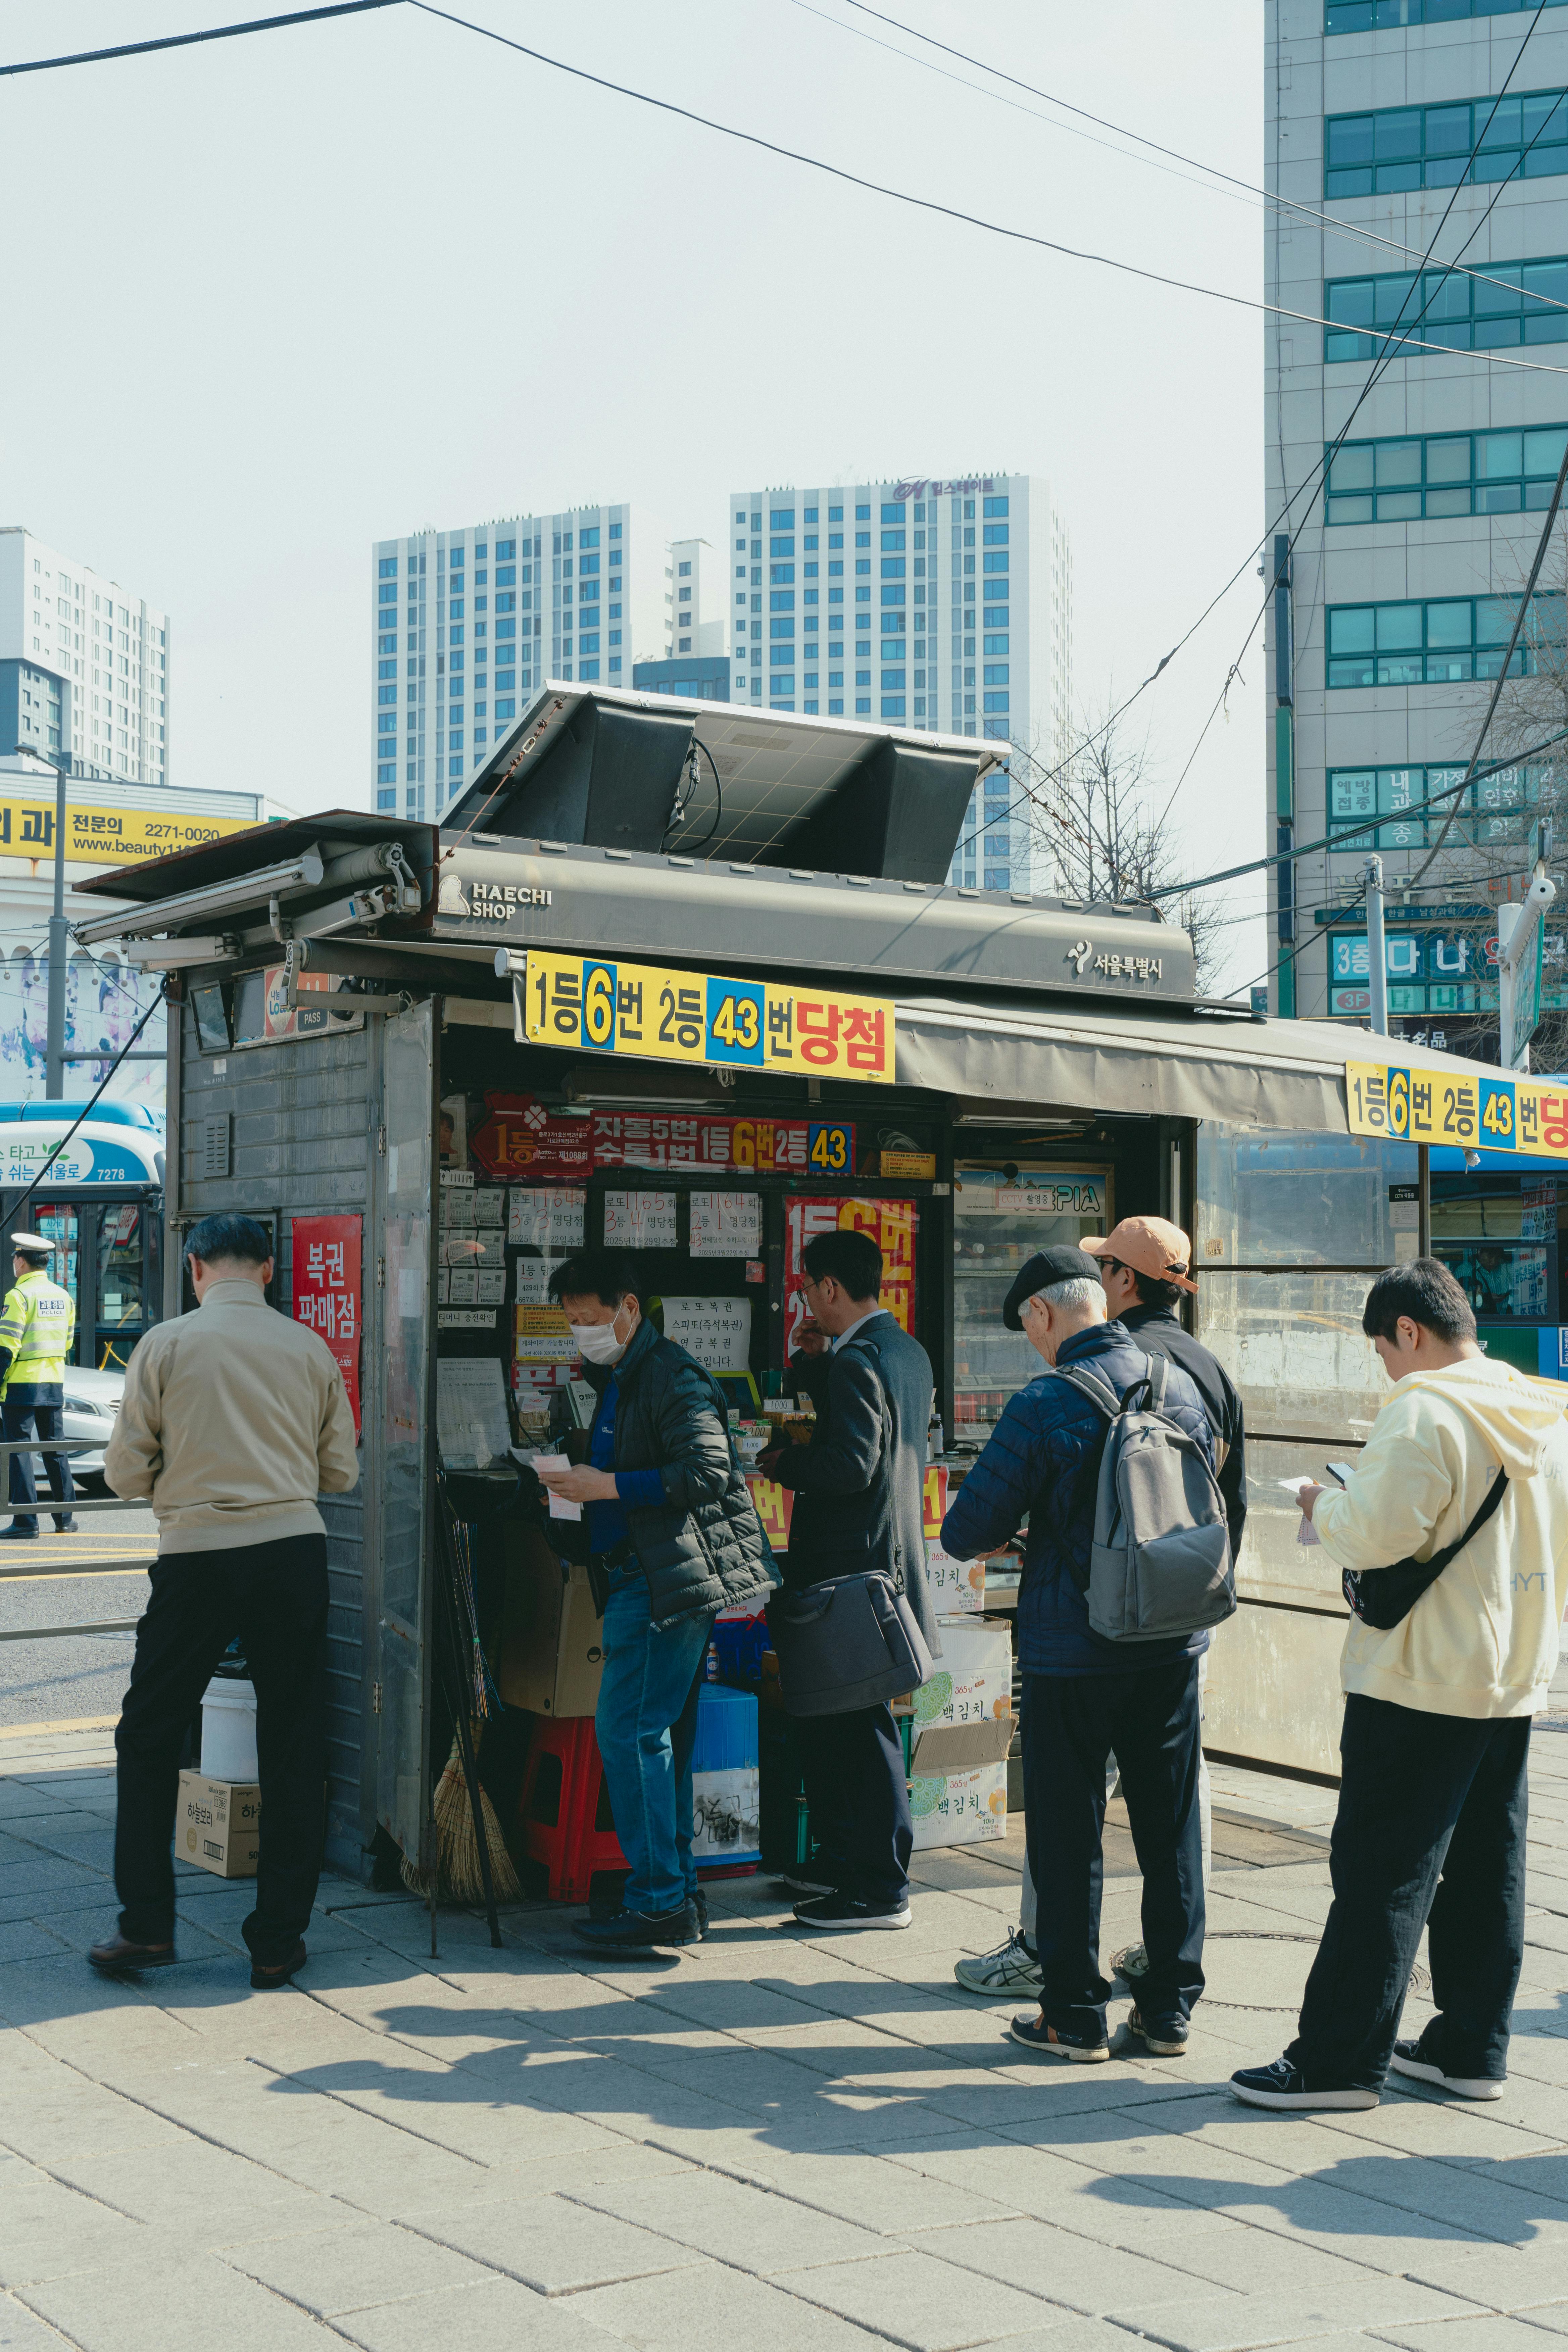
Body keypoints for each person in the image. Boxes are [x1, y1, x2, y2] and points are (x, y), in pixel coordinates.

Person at [1232, 1257, 1568, 2112]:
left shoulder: (1423, 1410)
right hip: (1513, 1672)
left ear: (1409, 1332)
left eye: (1382, 1349)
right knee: (1489, 1863)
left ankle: (1336, 2064)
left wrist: (1318, 1501)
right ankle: (1469, 2048)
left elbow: (1374, 1535)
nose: (1384, 1366)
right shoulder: (1546, 1410)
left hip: (1420, 1674)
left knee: (1382, 1867)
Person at [940, 1246, 1215, 2061]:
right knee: (1169, 1830)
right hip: (1169, 1641)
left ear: (1042, 1315)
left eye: (1027, 1327)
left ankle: (1073, 2013)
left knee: (1067, 1833)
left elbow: (966, 1532)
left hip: (1074, 1650)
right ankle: (1167, 2012)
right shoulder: (1181, 1386)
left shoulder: (1044, 1402)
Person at [89, 1213, 359, 1988]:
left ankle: (145, 1928)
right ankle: (275, 1941)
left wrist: (177, 1482)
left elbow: (122, 1472)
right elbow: (338, 1473)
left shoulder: (167, 1344)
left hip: (197, 1557)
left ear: (195, 1267)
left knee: (150, 1735)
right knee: (294, 1741)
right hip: (292, 1555)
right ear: (268, 1272)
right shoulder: (308, 1348)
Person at [535, 1251, 774, 1952]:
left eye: (590, 1319)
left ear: (629, 1308)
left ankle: (659, 1900)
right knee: (655, 1735)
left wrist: (604, 1488)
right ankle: (674, 1893)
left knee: (630, 1731)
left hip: (662, 1580)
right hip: (644, 1574)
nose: (583, 1333)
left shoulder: (671, 1375)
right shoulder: (617, 1376)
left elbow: (706, 1469)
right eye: (573, 1323)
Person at [757, 1227, 937, 1932]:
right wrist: (812, 1368)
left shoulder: (856, 1360)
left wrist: (780, 1465)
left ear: (830, 1287)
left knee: (857, 1729)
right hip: (886, 1563)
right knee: (838, 1723)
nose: (806, 1300)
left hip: (848, 1571)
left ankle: (879, 1888)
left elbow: (850, 1465)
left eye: (807, 1288)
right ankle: (842, 1861)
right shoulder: (903, 1349)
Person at [0, 1230, 77, 1539]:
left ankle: (25, 1522)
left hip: (21, 1384)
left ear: (21, 1262)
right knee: (55, 1449)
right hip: (54, 1382)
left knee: (20, 1451)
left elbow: (7, 1348)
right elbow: (69, 1340)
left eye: (15, 1259)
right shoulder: (64, 1296)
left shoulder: (18, 1296)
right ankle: (65, 1519)